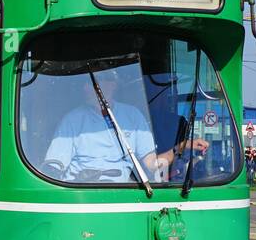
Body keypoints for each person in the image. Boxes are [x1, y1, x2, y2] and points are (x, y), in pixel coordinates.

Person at [43, 70, 208, 184]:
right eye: (86, 83)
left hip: (122, 192)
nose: (86, 88)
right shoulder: (72, 120)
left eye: (94, 82)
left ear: (112, 85)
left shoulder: (132, 116)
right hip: (83, 191)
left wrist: (182, 146)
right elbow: (55, 166)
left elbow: (152, 165)